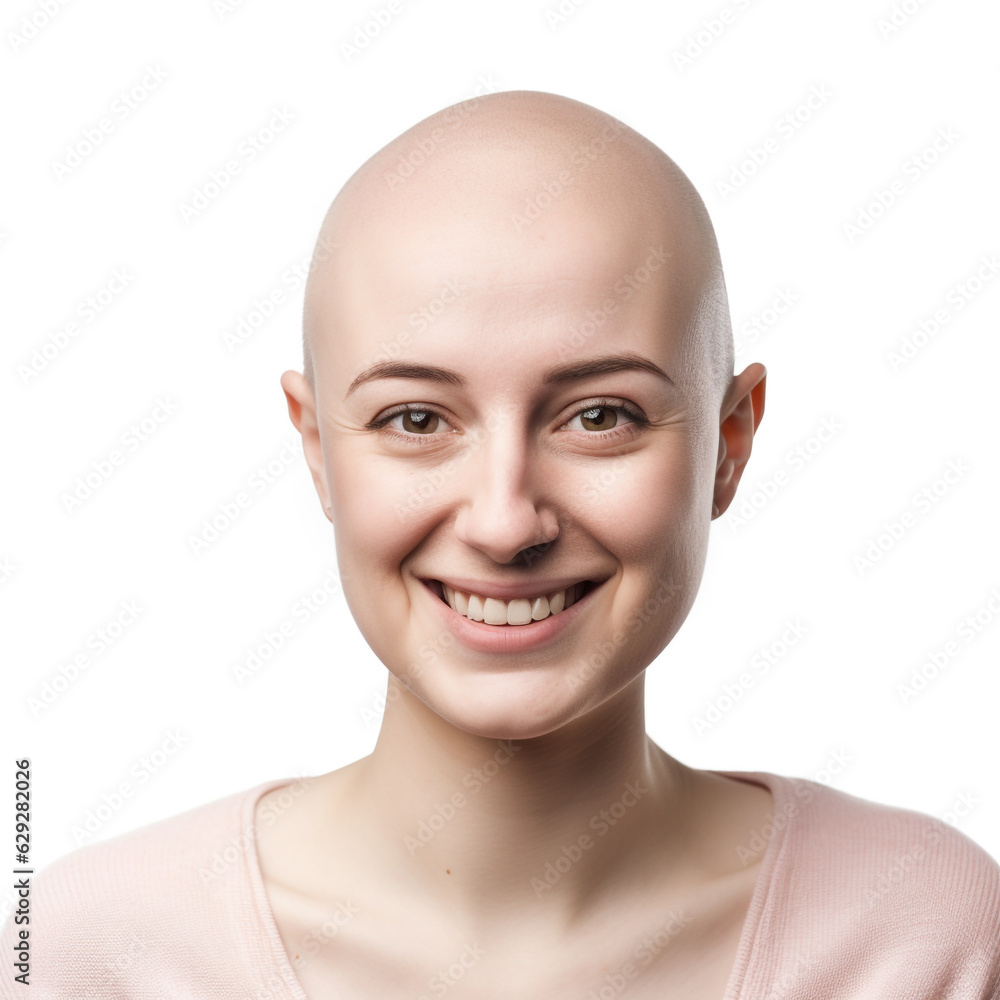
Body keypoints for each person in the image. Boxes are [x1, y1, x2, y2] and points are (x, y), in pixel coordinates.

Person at [3, 90, 998, 1000]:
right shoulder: (87, 954)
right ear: (316, 450)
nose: (505, 520)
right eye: (416, 420)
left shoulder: (922, 934)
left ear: (729, 443)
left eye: (600, 415)